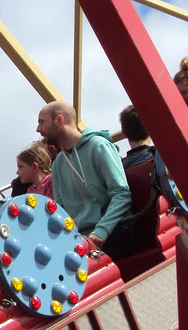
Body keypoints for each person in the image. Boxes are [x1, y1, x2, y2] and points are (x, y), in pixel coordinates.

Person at [35, 100, 134, 259]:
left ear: (59, 120)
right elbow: (61, 212)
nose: (38, 129)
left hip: (115, 229)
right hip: (83, 240)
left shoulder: (98, 146)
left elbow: (121, 194)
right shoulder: (59, 163)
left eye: (42, 122)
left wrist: (101, 231)